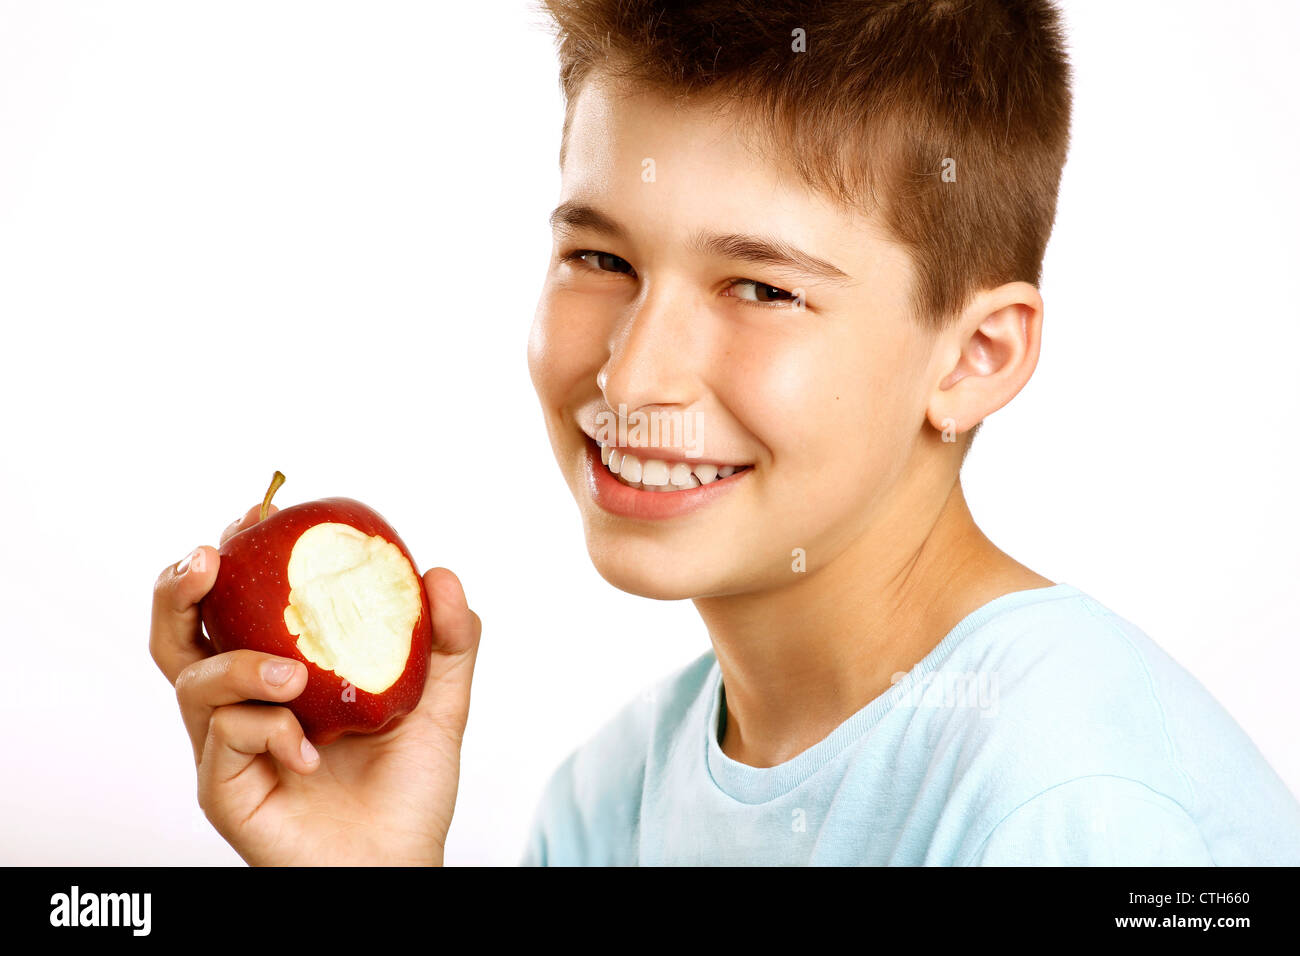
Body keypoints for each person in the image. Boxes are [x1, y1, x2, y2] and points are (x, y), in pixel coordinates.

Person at [149, 0, 1300, 865]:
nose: (631, 369)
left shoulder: (1076, 806)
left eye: (758, 286)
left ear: (972, 356)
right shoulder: (605, 805)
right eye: (600, 259)